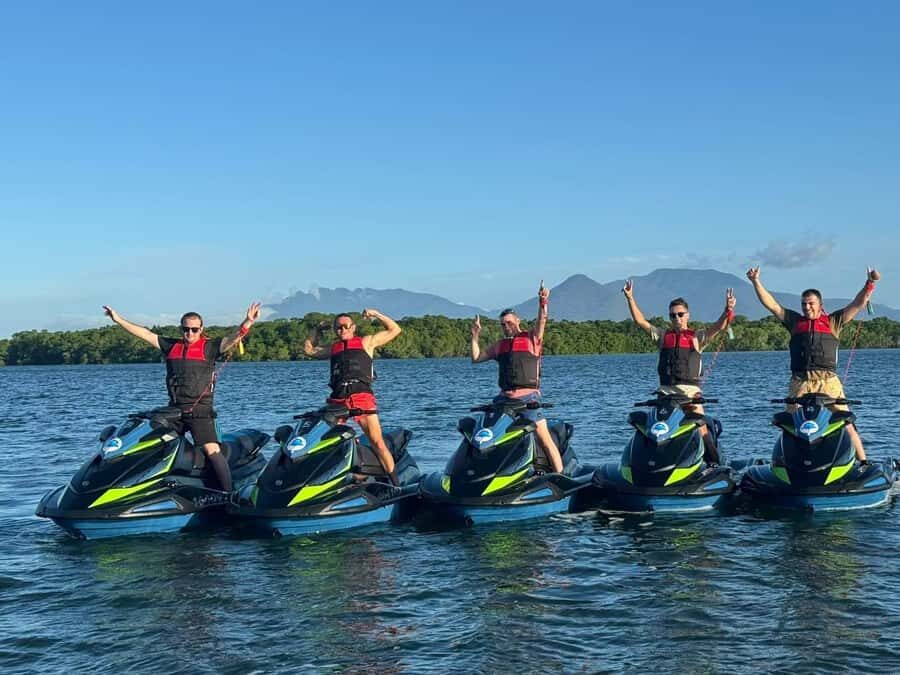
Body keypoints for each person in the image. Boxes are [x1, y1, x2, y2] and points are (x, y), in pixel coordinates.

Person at [102, 302, 262, 492]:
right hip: (175, 410)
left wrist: (248, 321)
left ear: (201, 329)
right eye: (186, 329)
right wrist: (117, 319)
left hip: (199, 411)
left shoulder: (209, 347)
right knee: (151, 442)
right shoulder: (171, 346)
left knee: (212, 451)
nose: (190, 333)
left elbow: (233, 338)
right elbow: (144, 333)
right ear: (181, 329)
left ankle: (227, 494)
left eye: (195, 329)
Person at [746, 266, 879, 461]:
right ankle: (786, 463)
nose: (807, 307)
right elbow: (772, 305)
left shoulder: (834, 321)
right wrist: (755, 281)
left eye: (810, 304)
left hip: (828, 382)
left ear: (820, 304)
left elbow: (858, 304)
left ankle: (864, 462)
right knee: (790, 424)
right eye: (803, 304)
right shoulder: (794, 321)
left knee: (846, 422)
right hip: (800, 382)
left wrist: (870, 283)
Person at [622, 280, 736, 464]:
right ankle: (650, 468)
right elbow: (640, 321)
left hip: (691, 396)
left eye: (680, 314)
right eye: (673, 315)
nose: (676, 318)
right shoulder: (662, 336)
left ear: (687, 315)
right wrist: (630, 298)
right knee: (653, 432)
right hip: (666, 395)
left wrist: (727, 309)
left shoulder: (697, 337)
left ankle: (715, 465)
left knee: (701, 429)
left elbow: (719, 326)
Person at [470, 283, 564, 474]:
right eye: (503, 324)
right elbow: (476, 358)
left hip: (528, 399)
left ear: (518, 321)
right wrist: (475, 336)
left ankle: (560, 475)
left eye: (509, 323)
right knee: (486, 433)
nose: (506, 327)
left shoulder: (532, 339)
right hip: (504, 399)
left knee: (543, 437)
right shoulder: (500, 346)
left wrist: (542, 301)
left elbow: (542, 320)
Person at [304, 309, 403, 484]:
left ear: (353, 327)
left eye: (345, 326)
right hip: (338, 401)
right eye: (338, 328)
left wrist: (376, 315)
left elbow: (395, 330)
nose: (342, 330)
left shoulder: (366, 342)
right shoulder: (333, 349)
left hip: (361, 399)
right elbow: (309, 350)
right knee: (326, 442)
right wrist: (317, 330)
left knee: (377, 442)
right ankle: (341, 479)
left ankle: (396, 483)